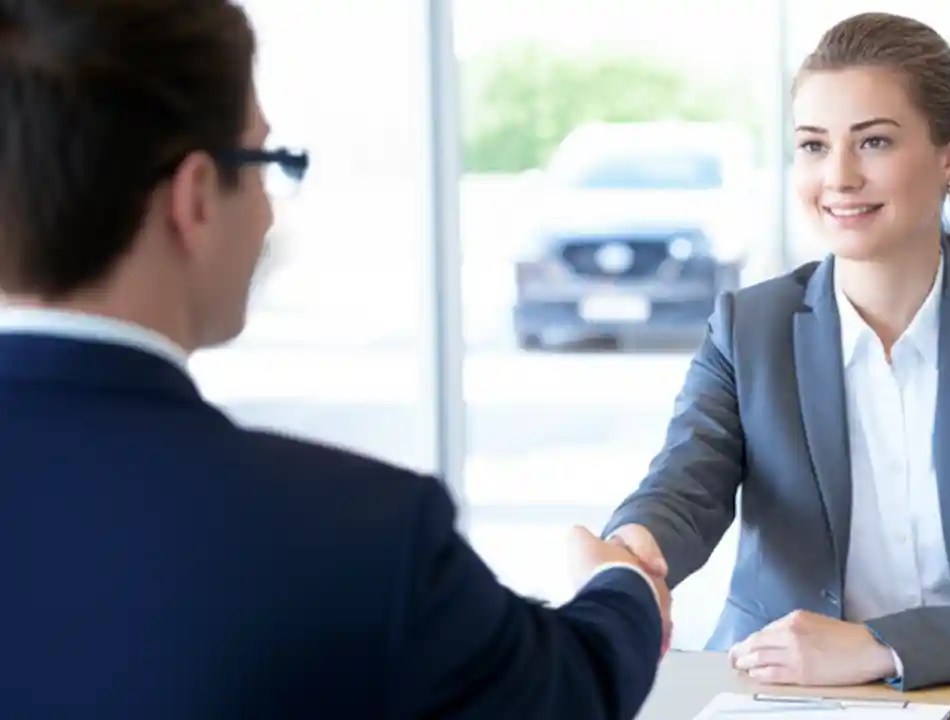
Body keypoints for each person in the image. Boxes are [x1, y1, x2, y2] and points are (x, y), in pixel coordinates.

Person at [0, 1, 669, 717]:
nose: (266, 212)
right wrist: (622, 588)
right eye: (265, 163)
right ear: (195, 197)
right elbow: (569, 691)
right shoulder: (361, 540)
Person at [603, 11, 950, 691]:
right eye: (814, 146)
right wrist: (636, 551)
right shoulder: (748, 327)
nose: (840, 176)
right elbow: (685, 484)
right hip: (782, 693)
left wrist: (882, 647)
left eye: (874, 142)